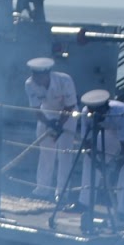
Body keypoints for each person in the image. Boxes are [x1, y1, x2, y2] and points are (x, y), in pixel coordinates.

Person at [75, 90, 124, 219]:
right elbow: (87, 142)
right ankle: (84, 202)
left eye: (98, 113)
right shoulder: (86, 113)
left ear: (105, 109)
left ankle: (121, 211)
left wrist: (114, 172)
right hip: (109, 129)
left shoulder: (120, 115)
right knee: (88, 160)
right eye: (92, 112)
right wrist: (97, 162)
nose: (94, 115)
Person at [23, 56, 77, 200]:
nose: (34, 78)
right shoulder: (30, 84)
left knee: (65, 154)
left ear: (46, 74)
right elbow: (36, 109)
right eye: (33, 75)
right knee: (46, 153)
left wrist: (60, 125)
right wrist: (49, 123)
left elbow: (69, 106)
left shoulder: (64, 80)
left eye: (37, 76)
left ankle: (61, 192)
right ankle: (42, 189)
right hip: (47, 114)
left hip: (68, 116)